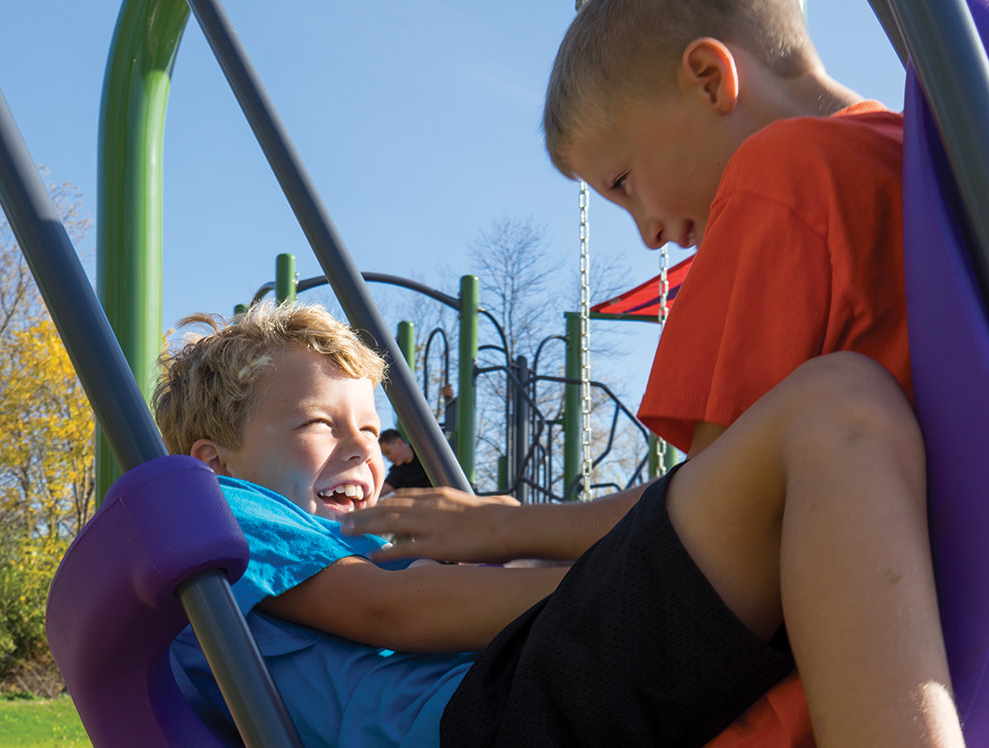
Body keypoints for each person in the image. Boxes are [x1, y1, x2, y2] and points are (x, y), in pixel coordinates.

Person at [341, 0, 966, 745]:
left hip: (796, 700)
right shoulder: (932, 158)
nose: (648, 236)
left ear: (709, 78)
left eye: (625, 181)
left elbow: (701, 533)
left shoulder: (785, 175)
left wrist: (502, 527)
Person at [153, 303, 570, 748]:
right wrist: (597, 579)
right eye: (319, 423)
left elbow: (423, 588)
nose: (362, 449)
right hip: (446, 717)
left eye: (370, 429)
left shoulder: (349, 546)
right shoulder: (226, 514)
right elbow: (394, 610)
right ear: (216, 463)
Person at [378, 429, 433, 495]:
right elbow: (382, 490)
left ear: (399, 442)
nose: (388, 458)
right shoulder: (398, 471)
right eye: (385, 456)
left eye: (388, 452)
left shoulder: (426, 451)